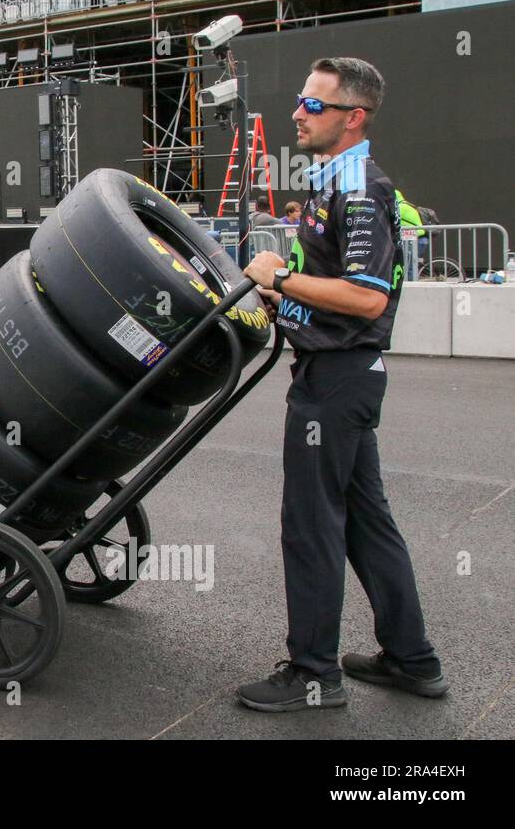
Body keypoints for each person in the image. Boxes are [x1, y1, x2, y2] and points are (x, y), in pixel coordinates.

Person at [237, 57, 445, 712]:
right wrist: (286, 305)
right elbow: (335, 297)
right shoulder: (334, 182)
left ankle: (313, 676)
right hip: (340, 375)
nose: (298, 113)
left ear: (352, 117)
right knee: (364, 524)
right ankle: (412, 660)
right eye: (301, 101)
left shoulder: (358, 187)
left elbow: (365, 299)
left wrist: (280, 279)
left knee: (311, 525)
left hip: (336, 383)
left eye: (314, 105)